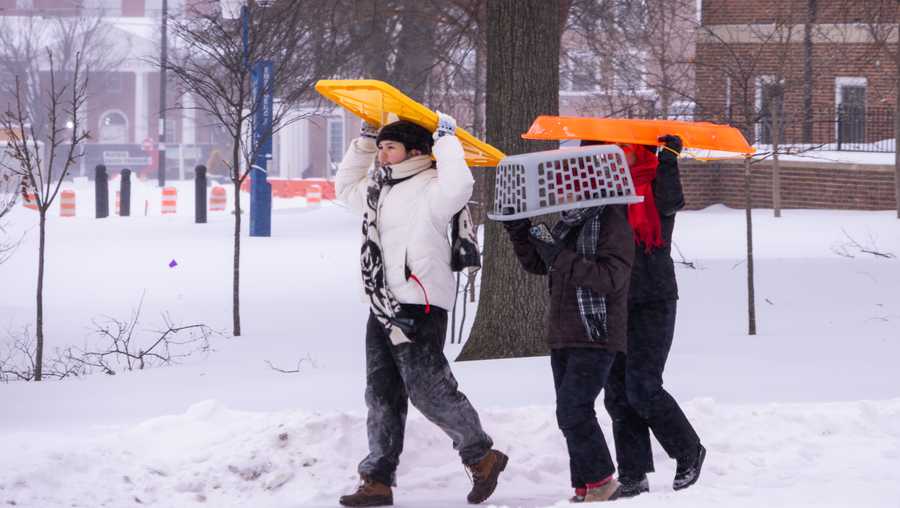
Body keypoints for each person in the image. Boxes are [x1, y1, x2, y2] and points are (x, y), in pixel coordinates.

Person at [335, 115, 507, 507]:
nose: (382, 154)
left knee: (428, 392)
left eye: (388, 147)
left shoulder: (432, 186)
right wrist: (362, 142)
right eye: (379, 147)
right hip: (381, 304)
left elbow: (460, 185)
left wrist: (446, 141)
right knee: (381, 395)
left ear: (415, 151)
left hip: (421, 300)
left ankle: (481, 455)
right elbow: (344, 187)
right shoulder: (379, 188)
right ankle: (377, 480)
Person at [501, 193, 634, 501]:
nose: (559, 192)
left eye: (567, 185)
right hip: (563, 333)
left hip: (596, 332)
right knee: (571, 412)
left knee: (573, 409)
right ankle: (586, 485)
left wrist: (559, 256)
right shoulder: (568, 221)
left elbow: (611, 278)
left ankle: (603, 482)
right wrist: (518, 229)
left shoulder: (612, 221)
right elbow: (540, 264)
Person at [601, 135, 706, 497]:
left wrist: (669, 159)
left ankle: (689, 451)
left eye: (623, 151)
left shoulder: (653, 183)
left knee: (642, 388)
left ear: (637, 152)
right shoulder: (605, 196)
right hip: (613, 302)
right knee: (616, 393)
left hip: (653, 299)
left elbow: (673, 200)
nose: (618, 158)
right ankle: (632, 473)